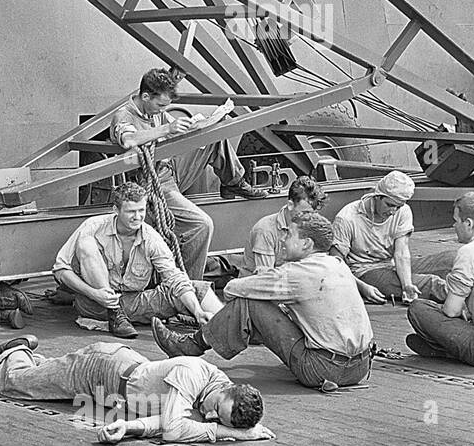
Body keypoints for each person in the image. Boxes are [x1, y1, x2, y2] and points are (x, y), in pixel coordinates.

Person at [152, 211, 375, 391]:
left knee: (250, 302)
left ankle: (191, 345)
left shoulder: (296, 274)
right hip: (360, 368)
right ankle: (230, 333)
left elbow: (234, 288)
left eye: (289, 235)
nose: (283, 239)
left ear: (307, 244)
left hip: (323, 369)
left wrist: (262, 298)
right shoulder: (338, 265)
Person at [0, 335, 272, 444]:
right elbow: (172, 430)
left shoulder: (211, 395)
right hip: (101, 370)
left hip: (115, 388)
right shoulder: (194, 372)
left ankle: (1, 355)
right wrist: (225, 433)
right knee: (15, 385)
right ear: (227, 389)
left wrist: (128, 428)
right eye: (218, 410)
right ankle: (3, 351)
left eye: (219, 419)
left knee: (41, 376)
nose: (211, 414)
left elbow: (164, 418)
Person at [111, 67, 267, 279]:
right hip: (152, 182)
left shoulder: (153, 109)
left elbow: (165, 120)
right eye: (160, 105)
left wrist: (198, 124)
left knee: (213, 134)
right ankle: (189, 285)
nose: (161, 110)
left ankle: (234, 182)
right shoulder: (124, 116)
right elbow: (129, 140)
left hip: (171, 169)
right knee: (202, 224)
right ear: (145, 96)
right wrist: (167, 129)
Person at [53, 181, 223, 339]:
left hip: (135, 301)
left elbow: (174, 278)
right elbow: (61, 270)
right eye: (131, 211)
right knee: (86, 244)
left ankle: (230, 328)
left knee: (195, 289)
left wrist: (198, 312)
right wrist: (95, 294)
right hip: (96, 304)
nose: (137, 217)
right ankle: (115, 313)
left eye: (141, 211)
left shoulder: (151, 238)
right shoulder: (93, 226)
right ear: (116, 210)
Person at [331, 170, 448, 304]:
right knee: (431, 283)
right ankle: (461, 300)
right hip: (365, 271)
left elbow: (401, 252)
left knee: (449, 260)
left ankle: (467, 293)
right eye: (390, 205)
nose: (393, 212)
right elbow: (336, 263)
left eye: (398, 207)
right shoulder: (347, 218)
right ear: (377, 196)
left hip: (392, 264)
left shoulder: (403, 211)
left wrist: (407, 285)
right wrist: (360, 287)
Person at [405, 191, 474, 367]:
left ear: (469, 224)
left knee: (418, 308)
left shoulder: (470, 252)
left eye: (456, 221)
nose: (454, 226)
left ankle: (446, 350)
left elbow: (451, 311)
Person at [241, 175, 326, 274]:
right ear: (290, 205)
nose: (309, 218)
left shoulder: (308, 226)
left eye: (313, 213)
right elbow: (264, 277)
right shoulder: (265, 230)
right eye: (305, 212)